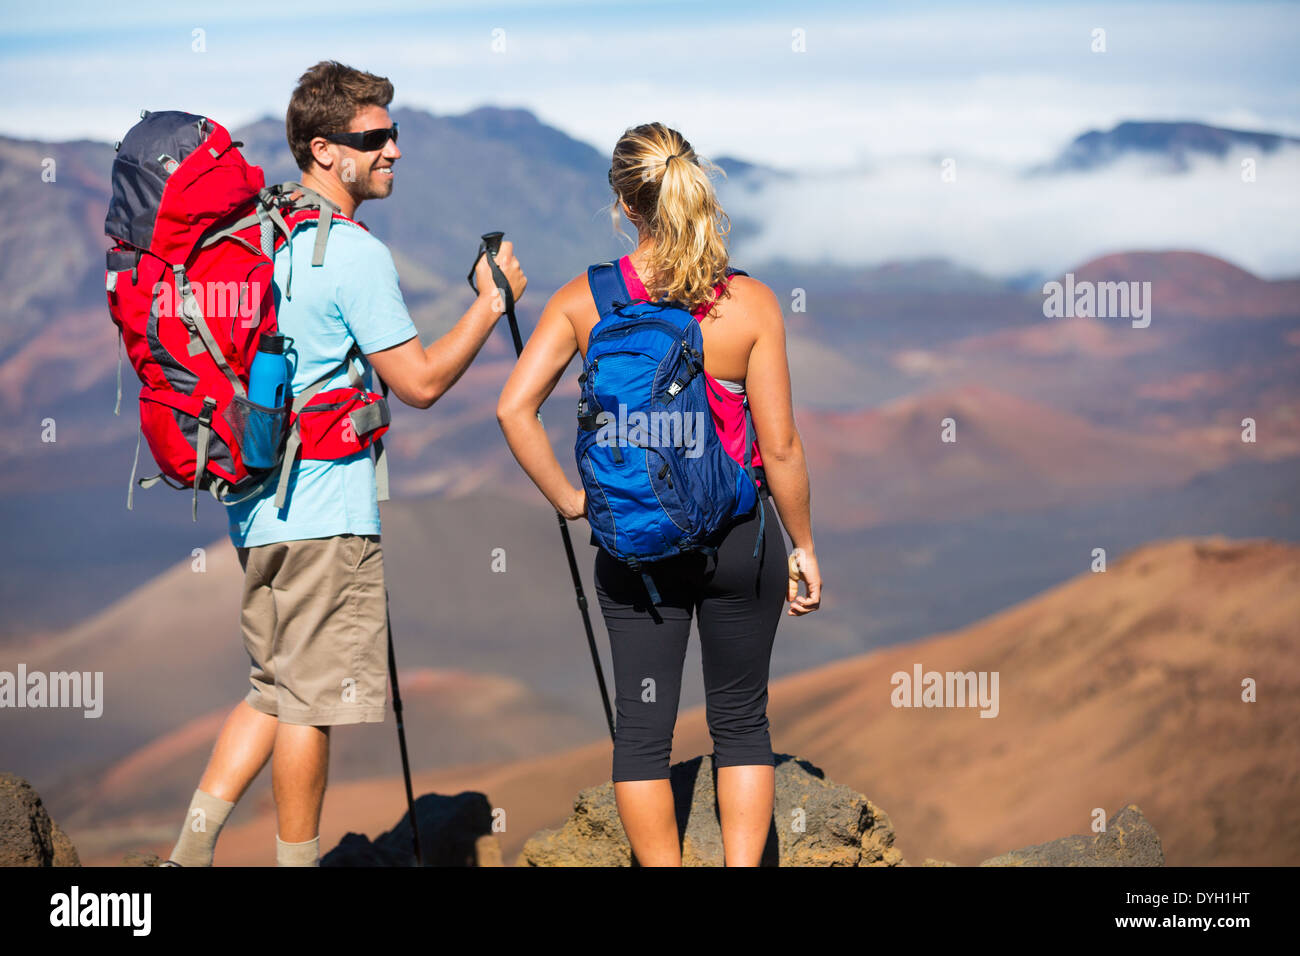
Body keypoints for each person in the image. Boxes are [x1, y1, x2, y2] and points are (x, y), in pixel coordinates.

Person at [164, 60, 526, 867]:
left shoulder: (256, 238)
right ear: (326, 150)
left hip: (254, 503)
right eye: (376, 137)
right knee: (309, 707)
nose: (395, 149)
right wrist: (492, 302)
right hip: (325, 513)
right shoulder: (352, 255)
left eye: (395, 133)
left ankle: (185, 859)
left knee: (274, 687)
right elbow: (422, 382)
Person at [496, 121, 821, 866]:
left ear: (623, 202)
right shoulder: (748, 303)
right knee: (740, 722)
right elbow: (780, 448)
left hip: (633, 547)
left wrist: (573, 500)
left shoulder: (585, 299)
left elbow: (513, 409)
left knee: (643, 734)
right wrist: (803, 546)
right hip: (741, 537)